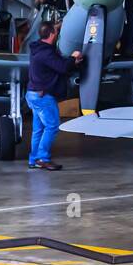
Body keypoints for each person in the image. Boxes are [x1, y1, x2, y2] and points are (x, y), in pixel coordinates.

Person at [27, 21, 82, 171]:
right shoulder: (46, 53)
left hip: (33, 94)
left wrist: (71, 62)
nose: (58, 34)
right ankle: (43, 159)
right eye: (56, 32)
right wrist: (73, 57)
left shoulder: (38, 48)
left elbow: (55, 64)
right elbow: (63, 67)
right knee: (52, 127)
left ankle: (33, 159)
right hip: (43, 97)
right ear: (51, 34)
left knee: (38, 129)